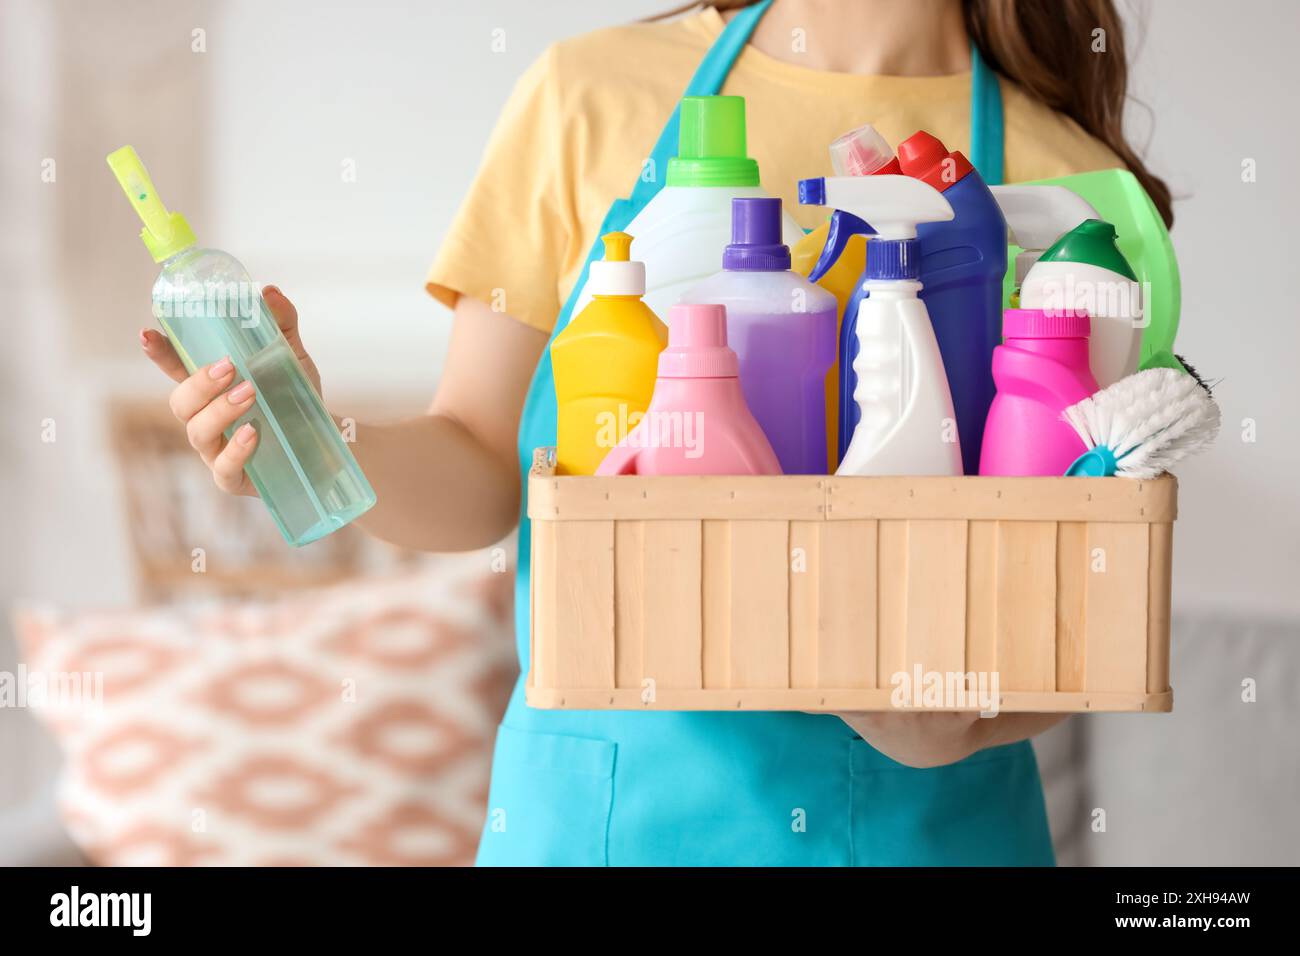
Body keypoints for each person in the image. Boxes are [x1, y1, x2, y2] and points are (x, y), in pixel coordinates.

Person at [141, 0, 1173, 865]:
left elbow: (1076, 598)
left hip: (927, 822)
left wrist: (962, 722)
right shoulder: (591, 100)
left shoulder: (1070, 188)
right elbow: (477, 467)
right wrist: (313, 434)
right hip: (605, 818)